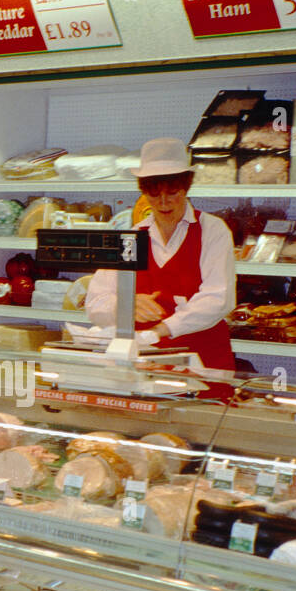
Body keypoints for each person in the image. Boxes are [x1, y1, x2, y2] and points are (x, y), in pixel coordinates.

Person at [85, 136, 237, 396]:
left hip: (204, 366)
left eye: (173, 191)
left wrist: (160, 331)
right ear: (143, 191)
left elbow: (218, 299)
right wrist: (125, 304)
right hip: (145, 368)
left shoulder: (212, 230)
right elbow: (95, 302)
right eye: (154, 192)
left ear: (186, 187)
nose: (164, 201)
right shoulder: (132, 237)